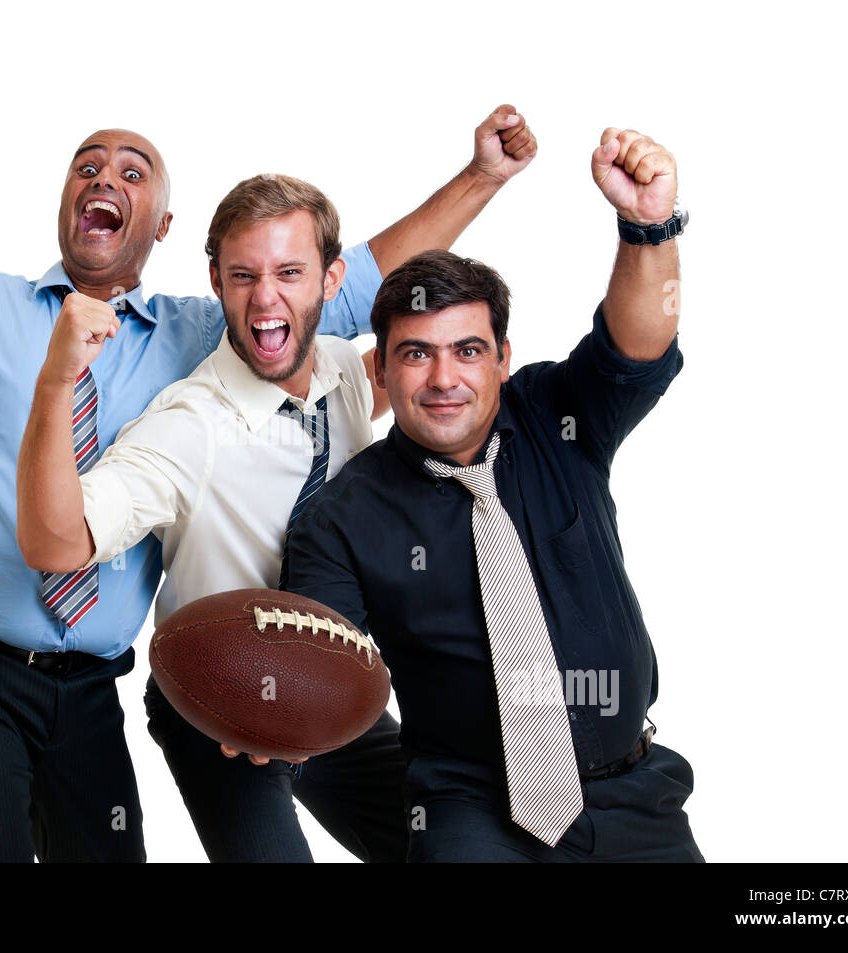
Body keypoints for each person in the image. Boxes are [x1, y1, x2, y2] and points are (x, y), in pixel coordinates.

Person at [0, 110, 537, 862]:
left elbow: (357, 280)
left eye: (133, 171)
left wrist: (482, 175)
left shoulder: (201, 331)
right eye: (87, 165)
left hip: (90, 683)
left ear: (162, 226)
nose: (105, 177)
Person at [20, 169, 531, 861]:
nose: (265, 297)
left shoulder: (343, 373)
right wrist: (57, 382)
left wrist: (482, 177)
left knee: (456, 842)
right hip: (216, 692)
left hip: (323, 678)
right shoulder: (188, 425)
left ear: (331, 280)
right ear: (216, 281)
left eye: (290, 272)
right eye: (243, 276)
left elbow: (400, 372)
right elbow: (55, 544)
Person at [280, 126, 705, 862]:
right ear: (379, 371)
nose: (444, 379)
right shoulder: (339, 520)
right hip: (470, 808)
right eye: (416, 354)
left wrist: (648, 227)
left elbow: (638, 348)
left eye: (468, 350)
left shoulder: (556, 415)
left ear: (502, 359)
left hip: (634, 795)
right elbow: (319, 676)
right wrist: (266, 709)